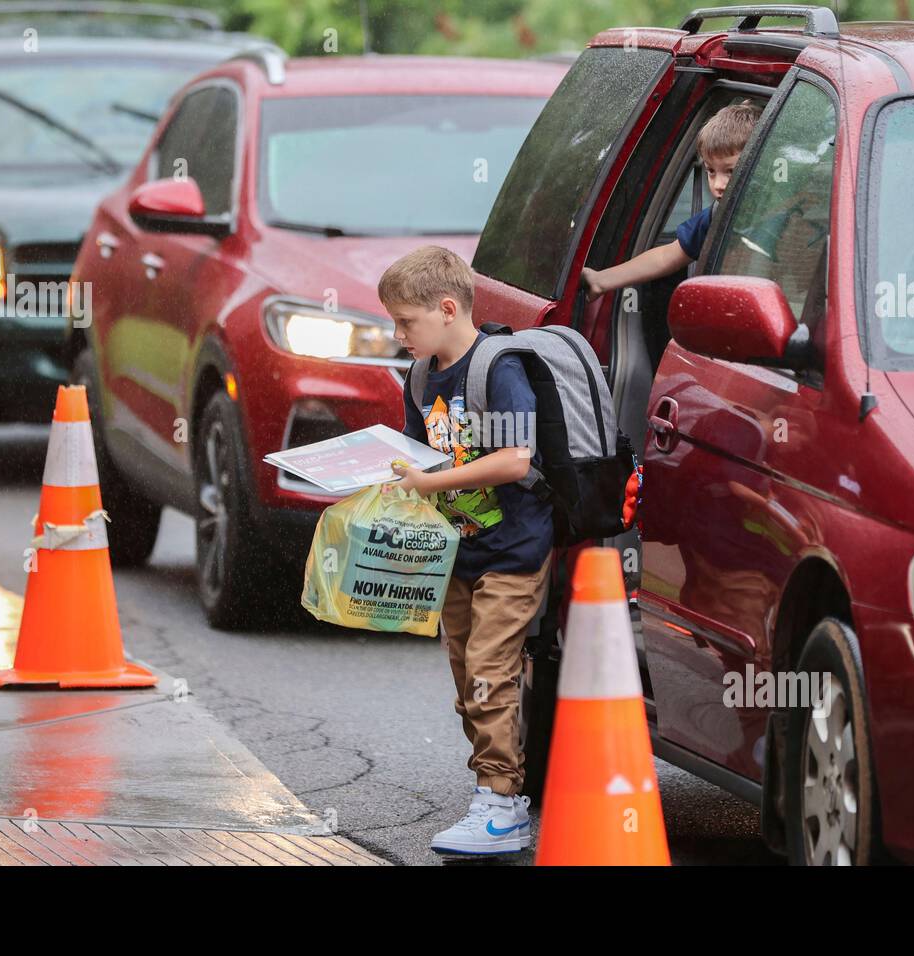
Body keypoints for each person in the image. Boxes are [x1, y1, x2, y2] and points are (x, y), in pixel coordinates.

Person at [379, 245, 554, 855]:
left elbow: (515, 459)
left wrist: (428, 482)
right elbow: (412, 451)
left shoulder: (494, 369)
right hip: (459, 551)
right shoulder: (423, 376)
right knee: (467, 673)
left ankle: (501, 803)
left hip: (514, 549)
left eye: (406, 321)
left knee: (487, 667)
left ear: (447, 308)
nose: (397, 333)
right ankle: (497, 789)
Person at [580, 100, 763, 301]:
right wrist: (601, 280)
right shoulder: (716, 216)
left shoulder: (781, 217)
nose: (718, 184)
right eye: (711, 171)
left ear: (763, 163)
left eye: (731, 171)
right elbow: (667, 256)